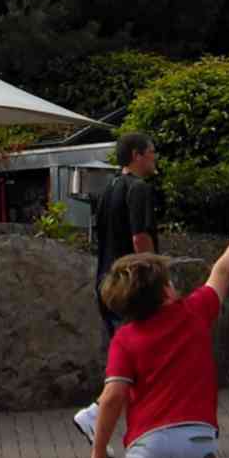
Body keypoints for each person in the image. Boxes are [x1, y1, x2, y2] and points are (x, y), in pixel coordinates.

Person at [86, 228, 229, 458]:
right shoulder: (194, 311)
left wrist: (99, 451)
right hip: (197, 443)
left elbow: (112, 397)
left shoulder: (124, 339)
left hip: (146, 449)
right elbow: (222, 272)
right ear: (166, 291)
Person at [96, 133, 160, 341]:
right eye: (151, 152)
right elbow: (140, 238)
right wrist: (158, 278)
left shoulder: (107, 190)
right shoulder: (138, 188)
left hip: (106, 286)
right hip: (131, 287)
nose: (154, 157)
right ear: (136, 155)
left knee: (119, 349)